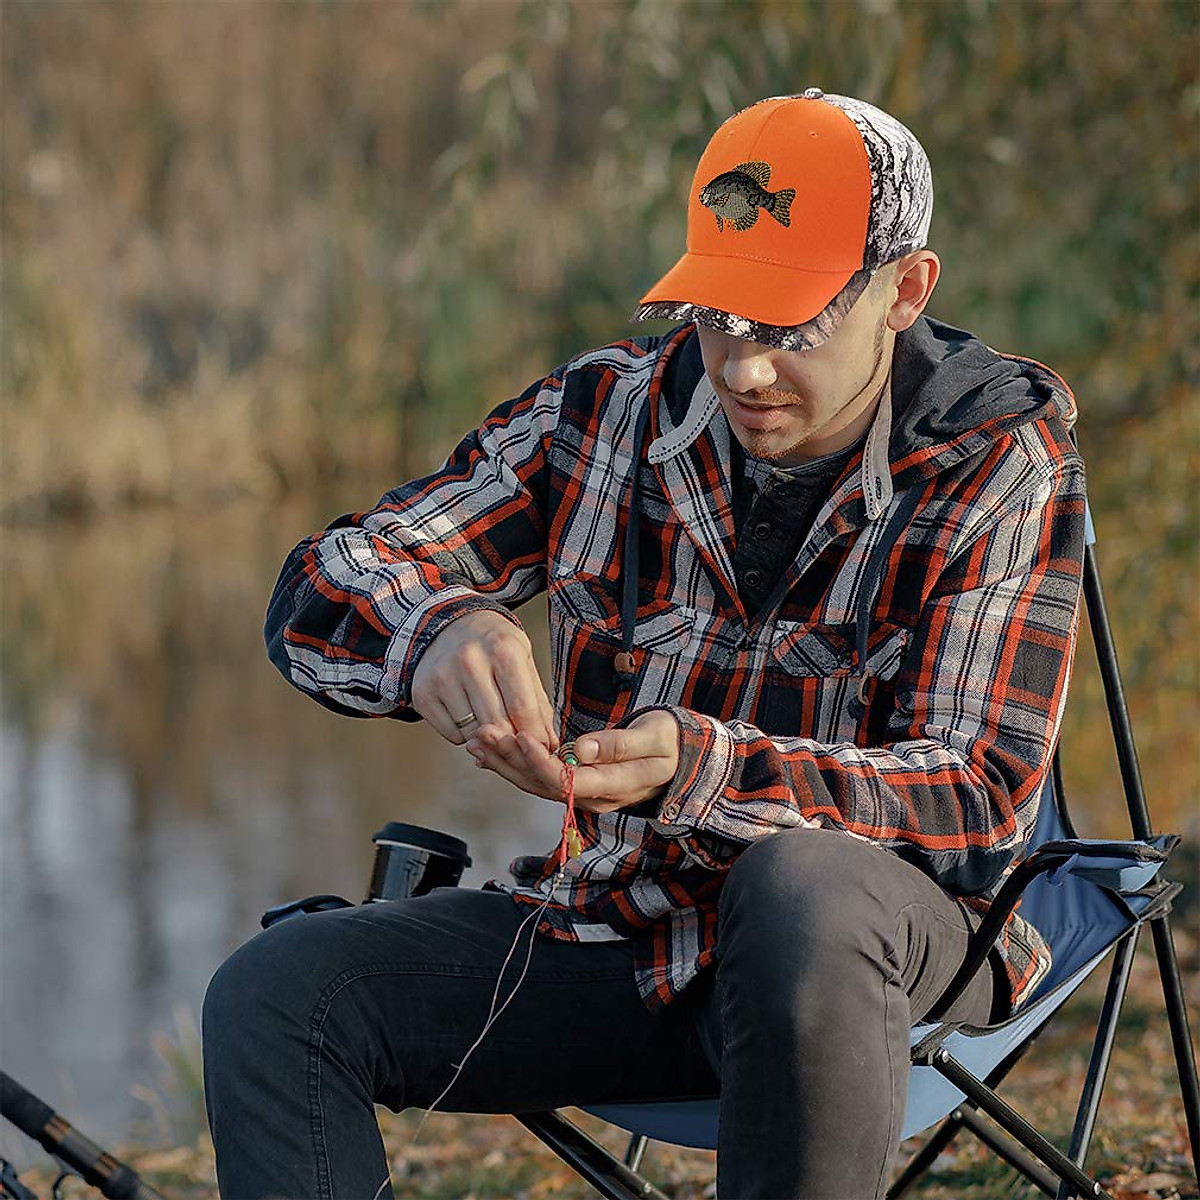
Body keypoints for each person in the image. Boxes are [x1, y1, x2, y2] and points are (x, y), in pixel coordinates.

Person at [202, 90, 1086, 1199]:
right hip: (625, 936)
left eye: (793, 321)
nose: (745, 369)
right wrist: (436, 629)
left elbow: (979, 791)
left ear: (906, 289)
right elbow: (324, 582)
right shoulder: (599, 411)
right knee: (279, 996)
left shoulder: (997, 459)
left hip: (877, 960)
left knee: (802, 890)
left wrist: (695, 765)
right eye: (720, 312)